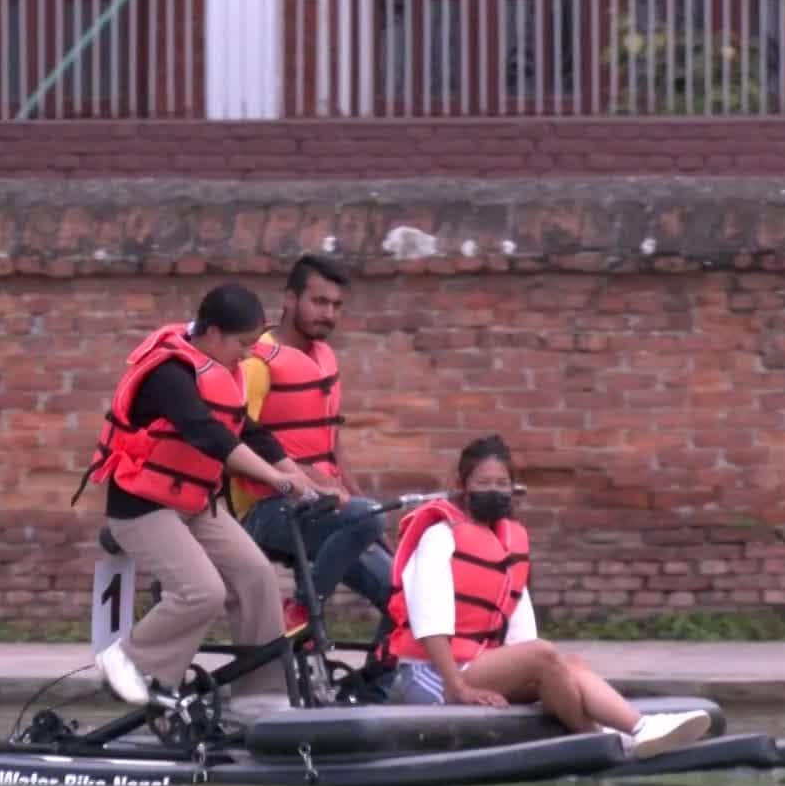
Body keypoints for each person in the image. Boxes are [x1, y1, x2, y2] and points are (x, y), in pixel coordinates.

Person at [73, 283, 333, 709]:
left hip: (195, 503)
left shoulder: (223, 372)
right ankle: (127, 660)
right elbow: (206, 434)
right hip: (143, 507)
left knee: (256, 577)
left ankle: (261, 698)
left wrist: (297, 476)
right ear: (212, 333)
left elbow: (247, 431)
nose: (249, 354)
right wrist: (275, 479)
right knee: (201, 591)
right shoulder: (168, 374)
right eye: (244, 344)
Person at [375, 434, 713, 760]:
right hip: (433, 673)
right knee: (544, 654)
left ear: (513, 488)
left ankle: (626, 734)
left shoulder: (509, 543)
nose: (493, 491)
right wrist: (457, 687)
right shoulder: (439, 536)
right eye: (483, 483)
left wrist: (538, 672)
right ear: (463, 486)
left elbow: (522, 636)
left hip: (478, 666)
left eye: (501, 484)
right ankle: (608, 738)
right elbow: (429, 621)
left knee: (566, 664)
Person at [230, 254, 393, 635]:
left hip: (332, 509)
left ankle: (368, 689)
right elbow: (235, 440)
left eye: (336, 305)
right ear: (290, 299)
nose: (329, 314)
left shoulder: (324, 359)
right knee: (365, 517)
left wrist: (367, 517)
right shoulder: (257, 361)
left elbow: (333, 446)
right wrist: (308, 480)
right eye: (319, 302)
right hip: (267, 508)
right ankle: (302, 609)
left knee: (403, 597)